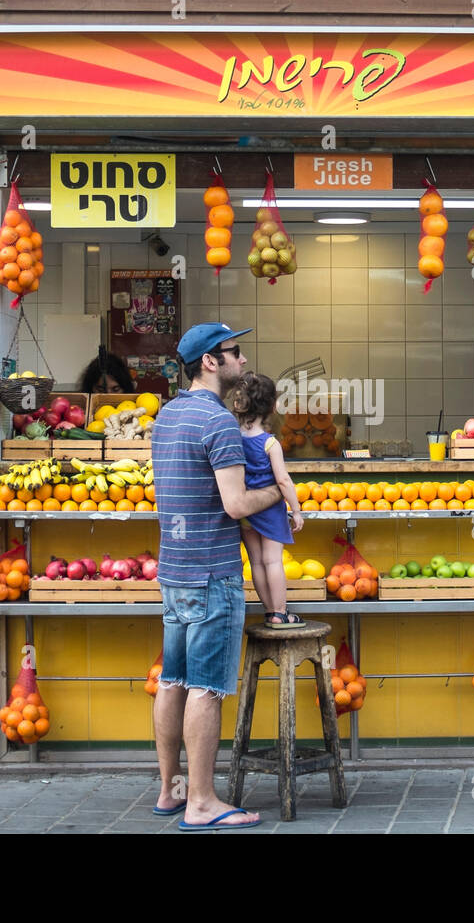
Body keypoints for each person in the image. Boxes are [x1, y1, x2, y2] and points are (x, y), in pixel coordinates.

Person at [149, 322, 281, 831]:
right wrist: (282, 495)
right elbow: (236, 504)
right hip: (210, 573)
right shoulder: (220, 423)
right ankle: (202, 802)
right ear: (210, 361)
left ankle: (171, 790)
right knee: (206, 688)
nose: (243, 361)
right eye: (234, 352)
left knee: (174, 680)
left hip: (175, 571)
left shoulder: (167, 414)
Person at [231, 371, 305, 630]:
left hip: (246, 509)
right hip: (271, 511)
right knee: (273, 560)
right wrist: (296, 510)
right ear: (272, 406)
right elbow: (283, 481)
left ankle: (269, 611)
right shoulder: (270, 444)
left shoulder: (233, 438)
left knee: (256, 562)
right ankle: (281, 613)